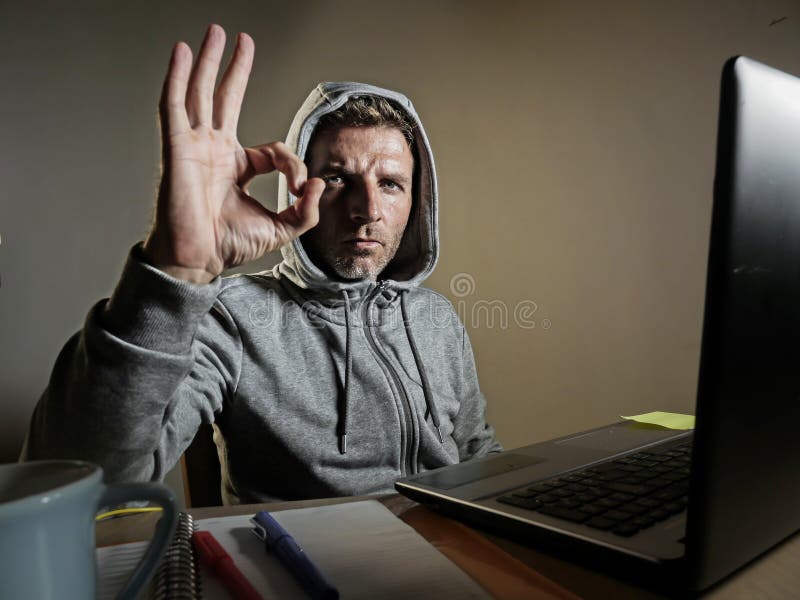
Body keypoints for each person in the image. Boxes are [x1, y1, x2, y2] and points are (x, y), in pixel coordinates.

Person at [23, 24, 501, 503]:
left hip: (452, 555)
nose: (368, 209)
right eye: (337, 179)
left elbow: (479, 453)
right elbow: (88, 482)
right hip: (300, 568)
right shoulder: (234, 317)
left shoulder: (436, 317)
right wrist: (174, 270)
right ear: (299, 186)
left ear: (417, 202)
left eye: (391, 184)